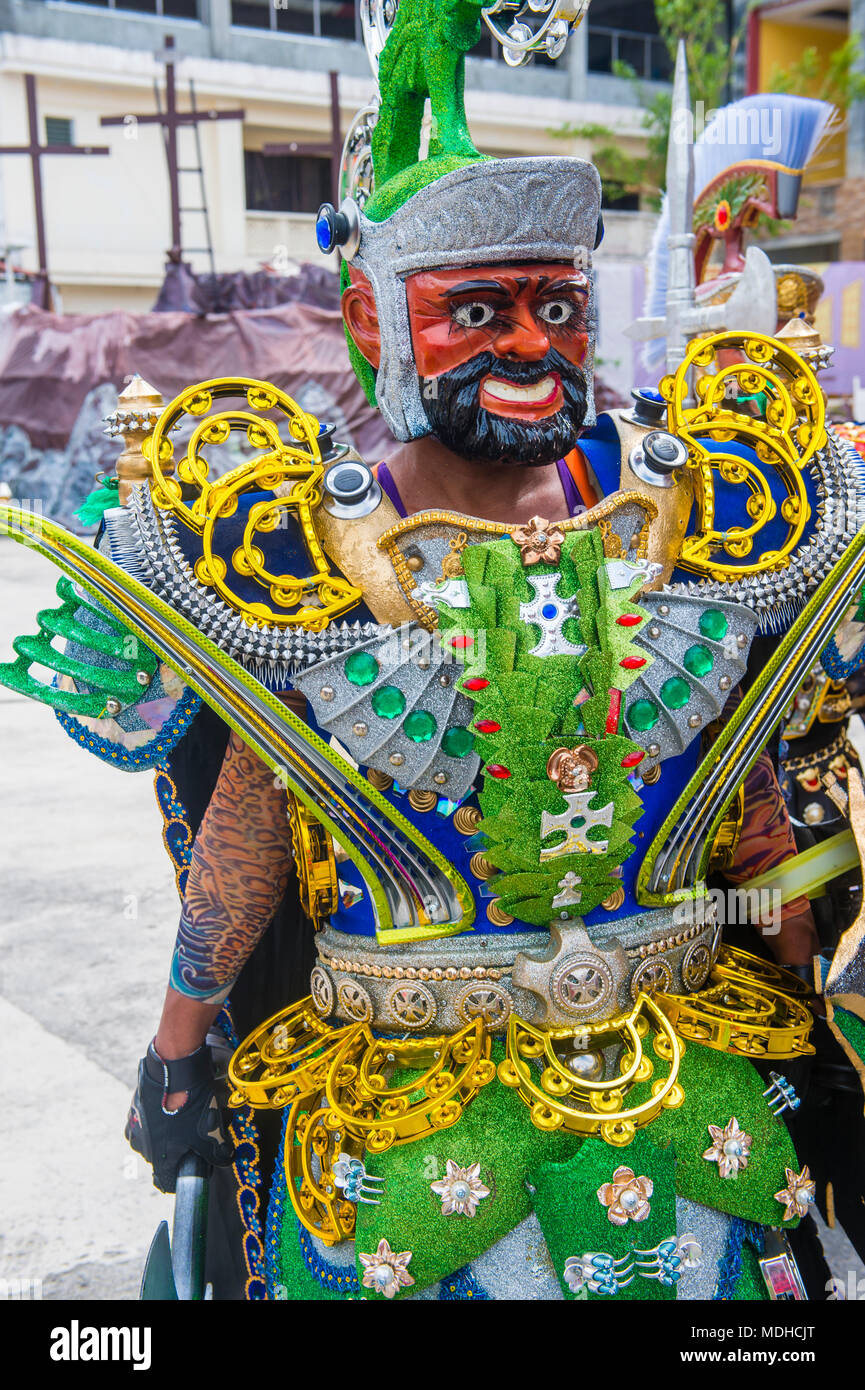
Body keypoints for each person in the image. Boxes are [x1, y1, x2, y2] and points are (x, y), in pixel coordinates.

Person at [2, 3, 862, 1300]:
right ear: (374, 314)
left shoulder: (690, 525)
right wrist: (180, 1042)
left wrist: (799, 935)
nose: (529, 345)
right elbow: (243, 844)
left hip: (688, 1083)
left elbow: (734, 793)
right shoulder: (291, 559)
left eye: (556, 307)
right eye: (480, 310)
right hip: (411, 1106)